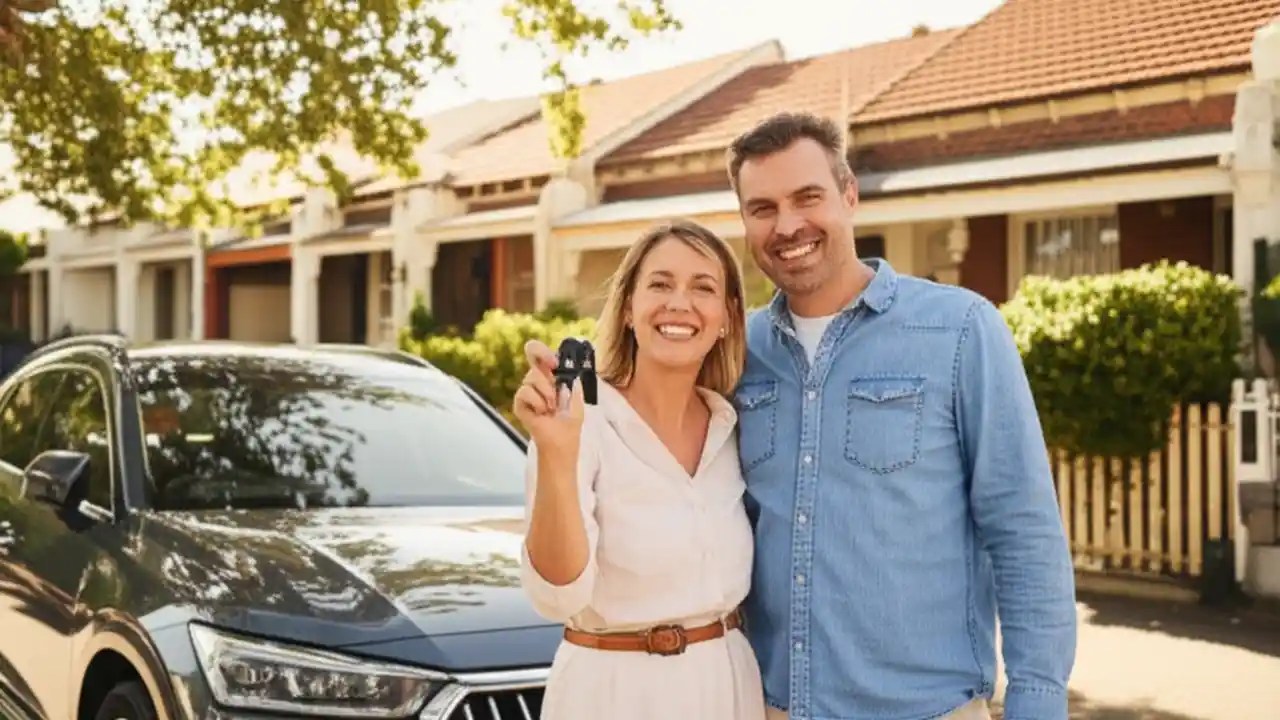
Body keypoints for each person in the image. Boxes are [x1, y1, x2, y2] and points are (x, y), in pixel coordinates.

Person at [725, 111, 1077, 720]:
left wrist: (1037, 704)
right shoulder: (735, 353)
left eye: (808, 197)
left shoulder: (961, 329)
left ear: (850, 194)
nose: (787, 226)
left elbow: (1024, 532)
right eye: (763, 208)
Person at [512, 219, 766, 720]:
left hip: (729, 690)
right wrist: (558, 457)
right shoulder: (580, 417)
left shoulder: (735, 427)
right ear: (628, 308)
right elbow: (558, 595)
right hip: (613, 695)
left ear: (727, 318)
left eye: (703, 287)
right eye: (660, 283)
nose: (679, 302)